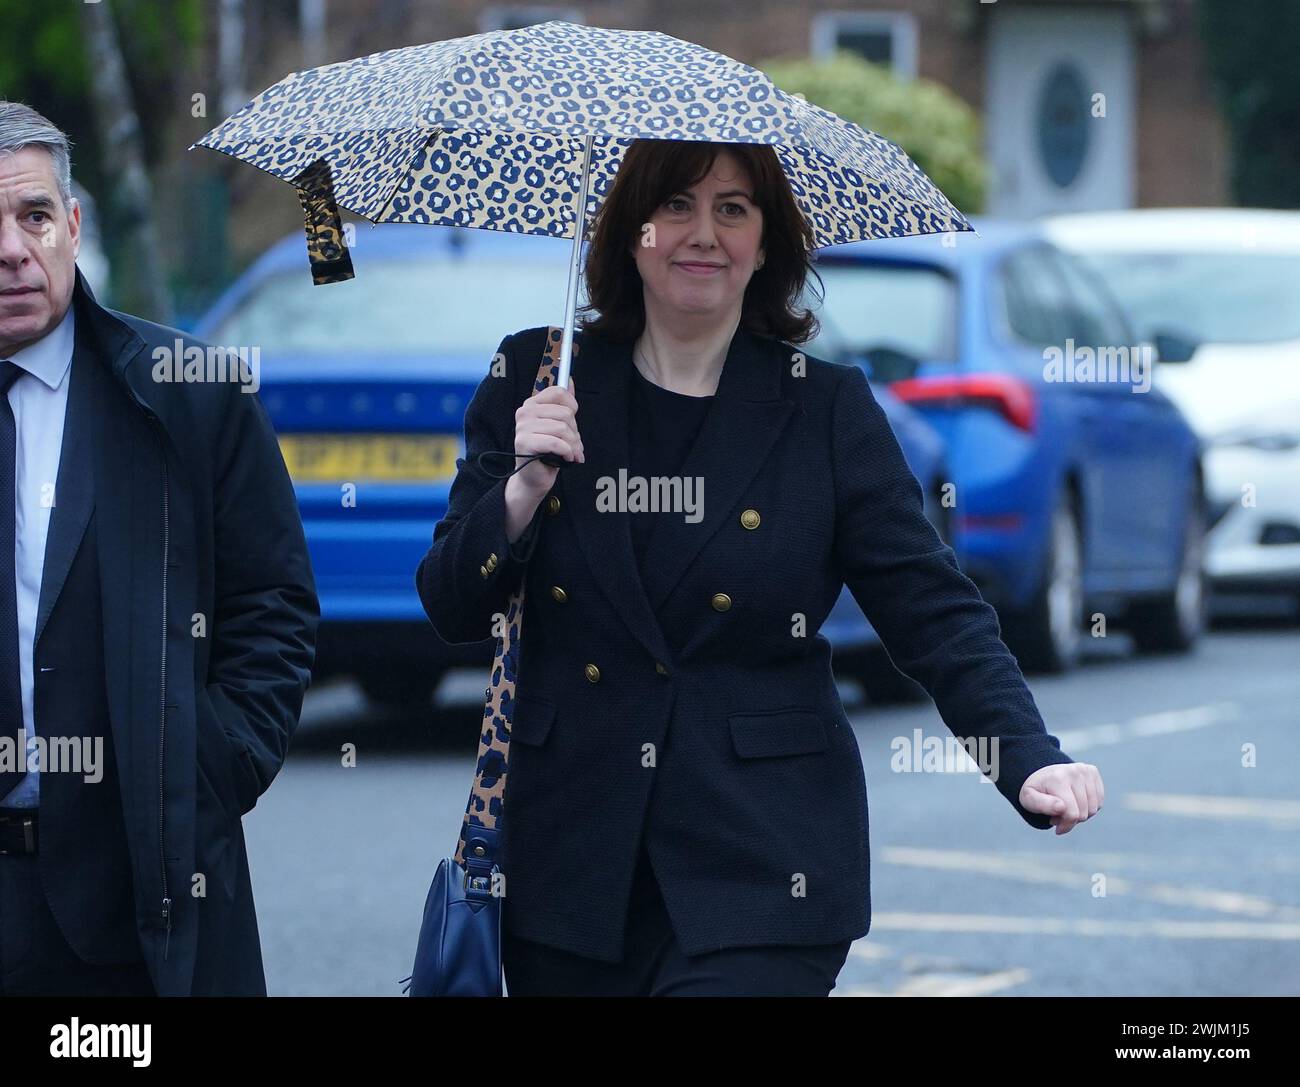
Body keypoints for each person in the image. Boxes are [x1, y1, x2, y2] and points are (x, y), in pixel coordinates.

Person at [415, 138, 1103, 997]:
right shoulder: (537, 375)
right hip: (570, 863)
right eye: (676, 206)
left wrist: (1024, 753)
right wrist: (523, 488)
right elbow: (449, 601)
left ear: (766, 242)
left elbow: (931, 606)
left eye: (732, 209)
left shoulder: (825, 407)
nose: (703, 232)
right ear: (630, 233)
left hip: (765, 863)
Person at [0, 102, 318, 996]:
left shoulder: (187, 392)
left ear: (70, 226)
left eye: (32, 216)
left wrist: (205, 768)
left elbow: (274, 602)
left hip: (140, 889)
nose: (12, 250)